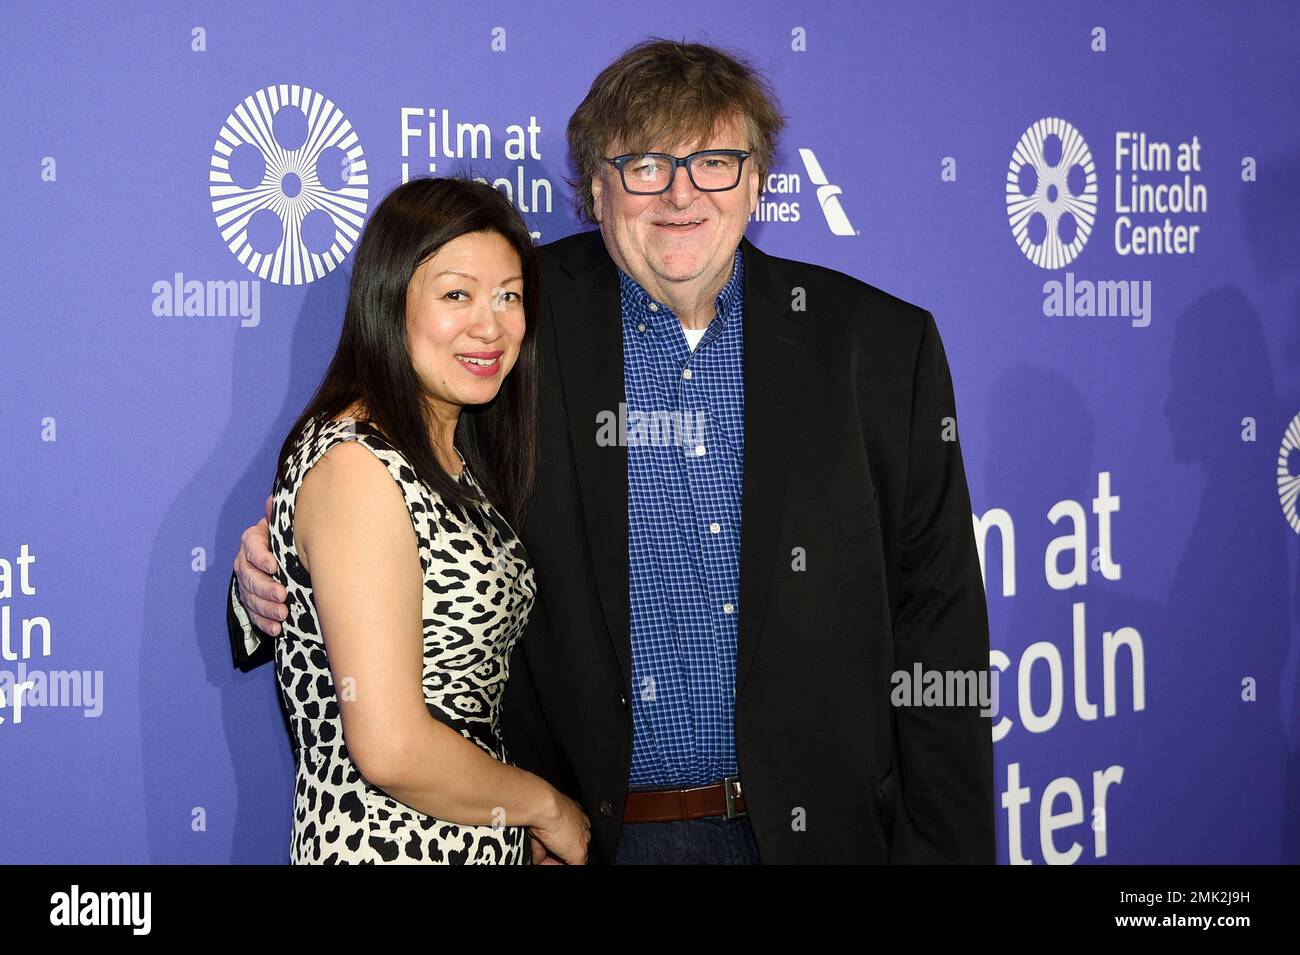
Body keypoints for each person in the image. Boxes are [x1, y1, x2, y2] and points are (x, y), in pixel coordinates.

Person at [232, 38, 994, 864]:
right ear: (597, 188)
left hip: (831, 837)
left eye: (715, 162)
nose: (680, 194)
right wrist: (266, 576)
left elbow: (939, 625)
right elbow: (377, 471)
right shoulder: (509, 325)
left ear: (758, 183)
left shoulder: (877, 348)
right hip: (584, 842)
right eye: (644, 165)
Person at [253, 175, 589, 864]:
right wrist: (547, 808)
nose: (490, 325)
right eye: (457, 294)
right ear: (389, 299)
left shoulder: (450, 453)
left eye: (509, 296)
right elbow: (392, 746)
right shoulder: (356, 462)